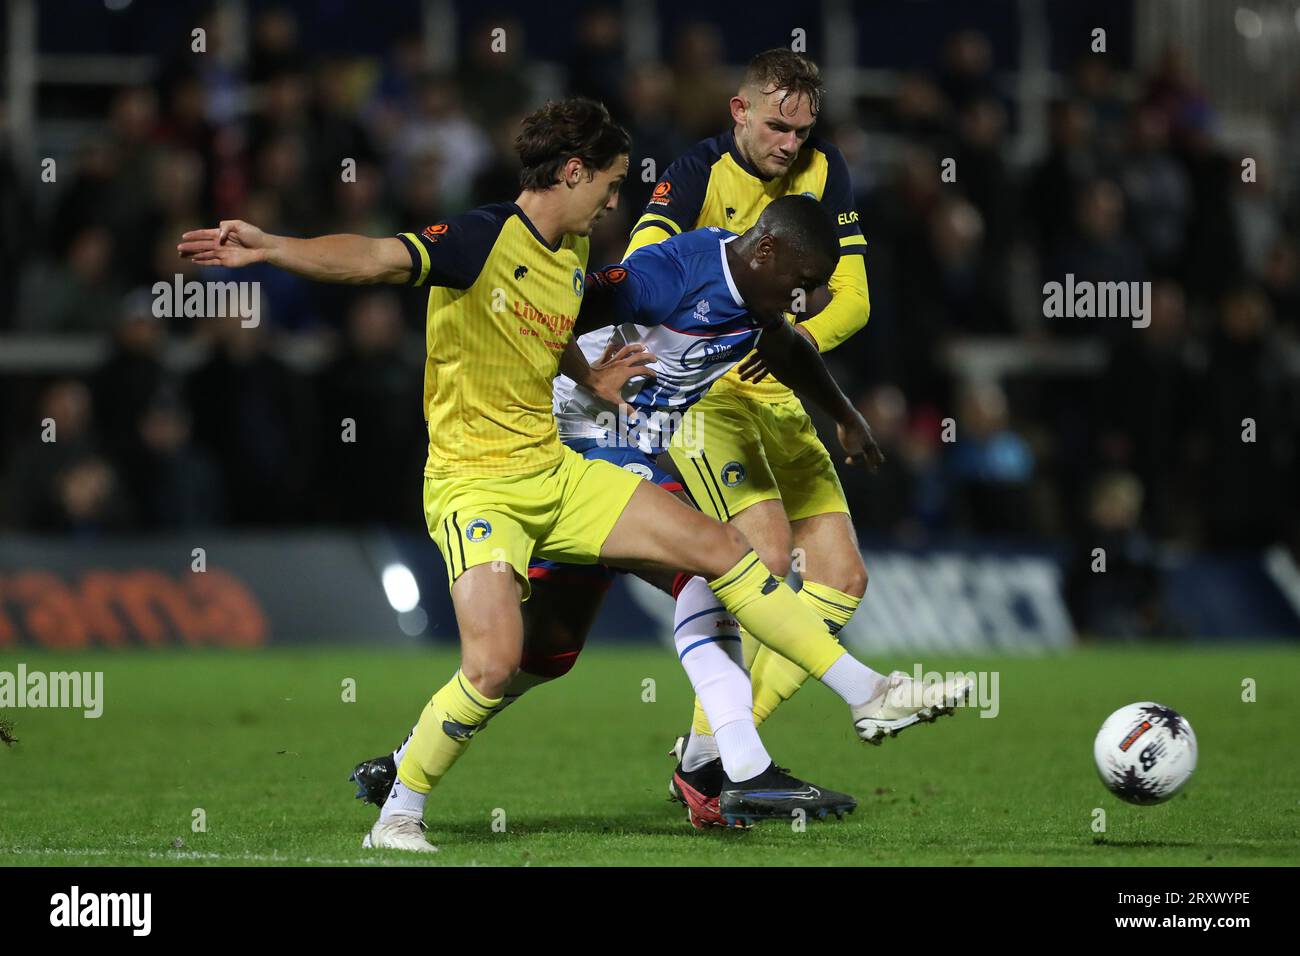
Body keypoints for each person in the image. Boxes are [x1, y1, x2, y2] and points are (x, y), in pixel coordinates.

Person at [179, 98, 957, 853]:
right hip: (477, 485)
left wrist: (591, 380)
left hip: (559, 470)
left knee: (716, 557)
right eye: (612, 184)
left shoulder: (573, 256)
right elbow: (380, 257)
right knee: (496, 661)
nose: (617, 201)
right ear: (574, 172)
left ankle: (861, 697)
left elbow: (547, 330)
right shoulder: (482, 238)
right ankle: (400, 809)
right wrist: (274, 246)